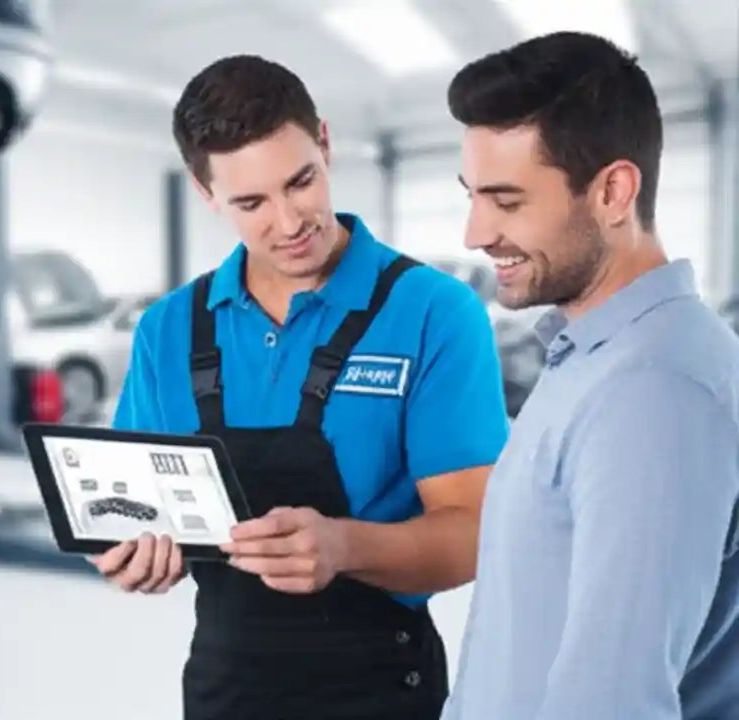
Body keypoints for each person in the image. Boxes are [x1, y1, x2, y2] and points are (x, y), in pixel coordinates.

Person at [90, 54, 510, 719]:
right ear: (206, 194)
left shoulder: (434, 312)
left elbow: (477, 534)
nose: (289, 222)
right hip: (225, 691)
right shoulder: (168, 330)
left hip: (380, 692)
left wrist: (345, 547)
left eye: (301, 182)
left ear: (325, 141)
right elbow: (124, 515)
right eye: (251, 203)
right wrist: (127, 554)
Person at [441, 31, 739, 720]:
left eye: (506, 201)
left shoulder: (654, 391)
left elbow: (611, 700)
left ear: (613, 192)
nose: (475, 233)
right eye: (471, 196)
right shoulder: (593, 356)